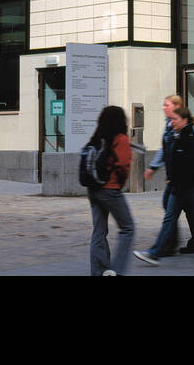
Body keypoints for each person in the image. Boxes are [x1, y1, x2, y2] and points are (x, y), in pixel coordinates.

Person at [135, 108, 194, 267]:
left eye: (175, 119)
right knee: (169, 219)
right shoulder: (175, 137)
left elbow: (191, 167)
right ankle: (155, 253)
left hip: (193, 188)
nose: (172, 122)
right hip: (179, 187)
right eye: (171, 119)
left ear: (185, 120)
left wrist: (179, 182)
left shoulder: (191, 139)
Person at [143, 94, 194, 255]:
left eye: (167, 105)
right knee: (191, 210)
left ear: (176, 106)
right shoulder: (170, 124)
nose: (164, 107)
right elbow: (166, 149)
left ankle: (165, 246)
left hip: (182, 179)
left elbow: (185, 152)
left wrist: (156, 168)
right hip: (178, 178)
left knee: (172, 211)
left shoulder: (183, 126)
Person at [85, 105, 135, 276]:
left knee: (99, 232)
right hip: (111, 190)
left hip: (93, 190)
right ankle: (116, 271)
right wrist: (119, 184)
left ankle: (98, 272)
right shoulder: (121, 139)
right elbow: (123, 165)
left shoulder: (97, 137)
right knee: (128, 228)